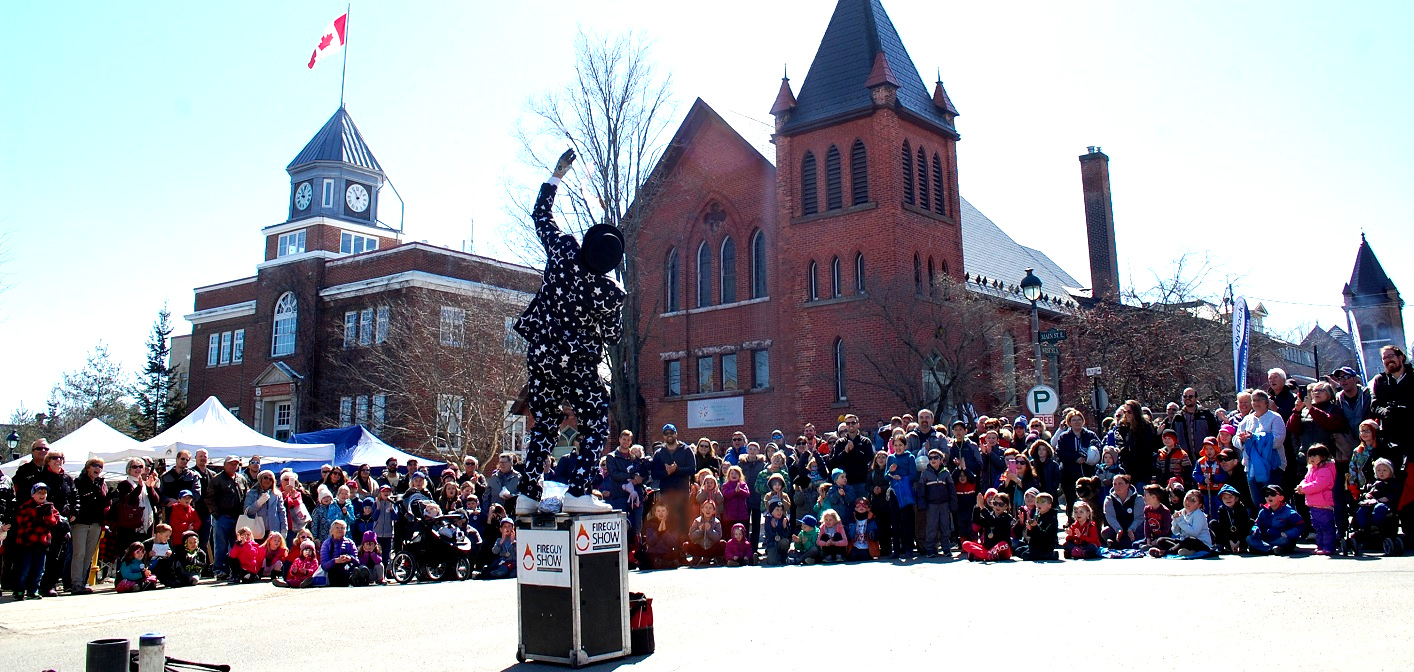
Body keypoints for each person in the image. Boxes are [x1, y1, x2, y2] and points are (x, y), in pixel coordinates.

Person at [512, 148, 623, 516]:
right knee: (595, 419)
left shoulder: (562, 251)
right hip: (578, 362)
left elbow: (541, 215)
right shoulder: (608, 291)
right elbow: (614, 336)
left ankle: (528, 492)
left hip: (542, 354)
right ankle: (578, 490)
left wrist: (556, 176)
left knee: (545, 421)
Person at [1235, 390, 1288, 499]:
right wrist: (1243, 440)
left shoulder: (1275, 418)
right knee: (1258, 502)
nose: (1256, 403)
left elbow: (1278, 440)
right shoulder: (1247, 419)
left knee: (1273, 500)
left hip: (1272, 466)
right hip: (1251, 467)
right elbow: (1235, 439)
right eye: (1254, 400)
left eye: (1259, 400)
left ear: (1266, 402)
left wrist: (1254, 438)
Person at [12, 483, 61, 600]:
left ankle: (33, 590)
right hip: (26, 543)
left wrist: (47, 514)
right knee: (24, 569)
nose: (42, 495)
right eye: (39, 492)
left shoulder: (49, 507)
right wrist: (36, 513)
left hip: (42, 543)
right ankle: (19, 590)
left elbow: (54, 522)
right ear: (33, 494)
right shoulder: (25, 506)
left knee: (39, 569)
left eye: (45, 493)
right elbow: (22, 521)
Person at [70, 457, 108, 594]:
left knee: (89, 554)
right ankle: (76, 583)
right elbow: (75, 500)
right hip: (80, 522)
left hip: (96, 522)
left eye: (100, 466)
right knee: (79, 553)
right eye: (95, 465)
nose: (98, 468)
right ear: (87, 467)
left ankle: (83, 582)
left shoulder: (101, 483)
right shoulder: (78, 482)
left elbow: (104, 502)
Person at [110, 458, 161, 558]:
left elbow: (156, 501)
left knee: (144, 553)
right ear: (129, 469)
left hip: (146, 525)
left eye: (140, 466)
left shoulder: (146, 483)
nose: (138, 469)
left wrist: (150, 487)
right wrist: (139, 487)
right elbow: (128, 500)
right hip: (130, 526)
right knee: (128, 554)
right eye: (134, 467)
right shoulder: (124, 484)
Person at [1053, 410, 1099, 517]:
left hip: (1087, 473)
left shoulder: (1090, 435)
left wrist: (1088, 457)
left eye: (1079, 419)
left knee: (1089, 502)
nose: (1077, 422)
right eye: (1074, 420)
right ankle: (1071, 521)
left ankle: (1089, 522)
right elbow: (1060, 452)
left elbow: (1098, 447)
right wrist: (1075, 458)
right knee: (1071, 500)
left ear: (1083, 421)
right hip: (1069, 475)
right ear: (1069, 422)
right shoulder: (1064, 437)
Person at [652, 425, 696, 534]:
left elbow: (692, 469)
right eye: (666, 433)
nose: (669, 435)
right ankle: (669, 544)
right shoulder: (659, 453)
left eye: (671, 432)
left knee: (683, 522)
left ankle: (683, 544)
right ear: (663, 436)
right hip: (666, 494)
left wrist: (677, 469)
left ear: (676, 434)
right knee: (669, 522)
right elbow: (654, 474)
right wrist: (667, 473)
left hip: (682, 493)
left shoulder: (686, 450)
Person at [208, 455, 247, 579]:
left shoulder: (241, 479)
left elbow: (246, 496)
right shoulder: (216, 479)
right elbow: (209, 499)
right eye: (231, 463)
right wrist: (217, 515)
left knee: (236, 545)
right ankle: (219, 569)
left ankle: (234, 570)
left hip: (238, 518)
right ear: (224, 465)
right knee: (221, 546)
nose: (233, 466)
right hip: (222, 518)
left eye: (235, 464)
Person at [1296, 444, 1337, 555]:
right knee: (1317, 527)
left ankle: (1329, 547)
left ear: (1323, 456)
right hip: (1313, 503)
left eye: (1315, 455)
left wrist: (1304, 489)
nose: (1311, 458)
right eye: (1310, 456)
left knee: (1326, 526)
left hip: (1324, 504)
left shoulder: (1325, 470)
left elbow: (1319, 484)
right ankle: (1320, 546)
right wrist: (1301, 486)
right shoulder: (1312, 469)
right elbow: (1306, 480)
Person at [1149, 490, 1214, 557]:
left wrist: (1180, 520)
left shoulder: (1199, 514)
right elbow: (1176, 532)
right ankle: (1186, 551)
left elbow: (1194, 533)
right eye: (1187, 498)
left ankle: (1167, 552)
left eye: (1193, 500)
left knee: (1189, 540)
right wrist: (1175, 520)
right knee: (1161, 540)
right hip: (1184, 542)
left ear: (1199, 505)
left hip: (1200, 543)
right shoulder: (1181, 512)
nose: (1188, 502)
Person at [1247, 485, 1304, 555]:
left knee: (1284, 541)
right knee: (1249, 538)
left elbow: (1301, 526)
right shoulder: (1263, 511)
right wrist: (1255, 529)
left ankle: (1262, 548)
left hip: (1281, 538)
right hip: (1266, 538)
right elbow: (1257, 524)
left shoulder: (1289, 512)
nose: (1269, 497)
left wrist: (1287, 534)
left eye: (1273, 494)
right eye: (1266, 494)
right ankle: (1272, 549)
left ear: (1281, 498)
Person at [1116, 400, 1160, 486]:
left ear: (1136, 412)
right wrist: (1123, 454)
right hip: (1126, 468)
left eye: (1129, 412)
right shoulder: (1122, 427)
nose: (1127, 414)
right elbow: (1120, 443)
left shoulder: (1146, 426)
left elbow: (1146, 447)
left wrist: (1132, 457)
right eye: (1125, 412)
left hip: (1142, 469)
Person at [1170, 388, 1220, 462]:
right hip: (1183, 458)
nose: (1187, 398)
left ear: (1196, 398)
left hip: (1204, 456)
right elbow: (1172, 437)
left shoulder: (1206, 414)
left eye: (1190, 396)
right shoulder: (1178, 417)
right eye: (1185, 396)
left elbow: (1215, 434)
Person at [962, 491, 1013, 562]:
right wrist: (977, 506)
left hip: (1002, 549)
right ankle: (987, 555)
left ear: (1006, 506)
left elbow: (993, 522)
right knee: (966, 544)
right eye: (995, 503)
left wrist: (982, 508)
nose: (997, 506)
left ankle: (980, 555)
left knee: (1004, 544)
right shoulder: (989, 515)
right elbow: (976, 521)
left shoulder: (1007, 518)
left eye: (1001, 504)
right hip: (988, 548)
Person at [1102, 474, 1145, 549]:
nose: (1117, 486)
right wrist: (1118, 529)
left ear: (1127, 485)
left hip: (1133, 529)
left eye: (1120, 483)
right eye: (1115, 484)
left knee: (1141, 529)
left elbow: (1139, 517)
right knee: (1105, 531)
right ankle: (1113, 543)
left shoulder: (1138, 499)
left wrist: (1131, 529)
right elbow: (1110, 517)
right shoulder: (1109, 500)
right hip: (1117, 528)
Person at [320, 519, 366, 586]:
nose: (340, 530)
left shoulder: (350, 543)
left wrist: (350, 558)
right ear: (331, 530)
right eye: (337, 527)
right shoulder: (327, 544)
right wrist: (335, 561)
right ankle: (353, 579)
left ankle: (361, 578)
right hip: (334, 570)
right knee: (339, 569)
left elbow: (357, 561)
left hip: (348, 566)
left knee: (360, 567)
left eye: (342, 528)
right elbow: (324, 565)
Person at [243, 470, 285, 542]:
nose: (268, 480)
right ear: (260, 479)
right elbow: (247, 511)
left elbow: (282, 512)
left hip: (273, 531)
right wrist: (258, 503)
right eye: (265, 478)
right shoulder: (251, 493)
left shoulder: (277, 494)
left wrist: (284, 529)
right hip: (256, 530)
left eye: (270, 479)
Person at [1210, 485, 1251, 554]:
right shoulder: (1222, 509)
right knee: (1213, 523)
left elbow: (1243, 525)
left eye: (1230, 497)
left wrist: (1238, 541)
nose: (1227, 500)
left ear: (1236, 498)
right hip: (1227, 535)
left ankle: (1243, 546)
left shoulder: (1241, 508)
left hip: (1240, 534)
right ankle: (1221, 545)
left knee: (1250, 523)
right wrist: (1230, 541)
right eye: (1224, 498)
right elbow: (1223, 526)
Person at [1192, 437, 1227, 518]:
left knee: (1219, 510)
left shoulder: (1220, 461)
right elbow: (1195, 474)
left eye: (1211, 449)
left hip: (1218, 492)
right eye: (1206, 449)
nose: (1208, 451)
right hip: (1205, 492)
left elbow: (1224, 475)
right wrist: (1203, 479)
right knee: (1206, 510)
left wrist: (1213, 477)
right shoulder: (1200, 462)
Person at [642, 501, 683, 570]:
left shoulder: (672, 524)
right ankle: (660, 563)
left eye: (663, 511)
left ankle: (662, 563)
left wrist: (664, 532)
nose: (661, 513)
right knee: (644, 559)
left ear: (667, 512)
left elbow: (672, 543)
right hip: (653, 553)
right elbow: (650, 542)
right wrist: (658, 532)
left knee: (674, 555)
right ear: (655, 513)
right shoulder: (651, 524)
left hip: (666, 553)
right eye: (658, 511)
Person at [684, 498, 725, 566]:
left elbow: (718, 537)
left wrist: (710, 531)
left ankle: (718, 558)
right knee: (686, 545)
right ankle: (697, 557)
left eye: (710, 508)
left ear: (714, 511)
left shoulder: (716, 522)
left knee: (722, 543)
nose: (708, 510)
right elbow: (691, 536)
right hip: (700, 548)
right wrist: (700, 531)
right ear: (702, 510)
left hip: (711, 549)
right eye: (706, 507)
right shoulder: (697, 521)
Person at [1021, 492, 1059, 561]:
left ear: (1049, 505)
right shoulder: (1038, 516)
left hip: (1045, 545)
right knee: (1018, 550)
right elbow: (1033, 535)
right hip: (1036, 545)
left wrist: (1035, 526)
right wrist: (1030, 528)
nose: (1039, 504)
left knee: (1026, 555)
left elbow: (1044, 533)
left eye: (1042, 502)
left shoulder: (1051, 518)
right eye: (1037, 502)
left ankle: (1050, 555)